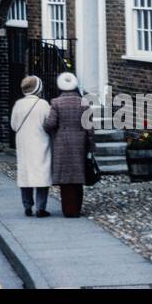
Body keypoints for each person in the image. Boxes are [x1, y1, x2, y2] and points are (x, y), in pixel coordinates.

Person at [43, 70, 93, 217]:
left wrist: (47, 129)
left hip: (62, 143)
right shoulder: (84, 103)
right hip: (79, 142)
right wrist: (91, 145)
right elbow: (89, 126)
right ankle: (77, 208)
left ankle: (68, 209)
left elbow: (51, 124)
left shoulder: (56, 103)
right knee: (78, 177)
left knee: (66, 179)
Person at [10, 76, 52, 217]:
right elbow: (49, 124)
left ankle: (27, 206)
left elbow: (14, 125)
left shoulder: (18, 104)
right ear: (39, 88)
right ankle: (41, 208)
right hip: (40, 142)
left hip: (24, 143)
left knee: (26, 174)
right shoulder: (44, 104)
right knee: (42, 175)